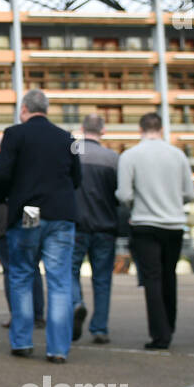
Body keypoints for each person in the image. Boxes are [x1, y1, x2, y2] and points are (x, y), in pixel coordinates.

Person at [0, 89, 80, 362]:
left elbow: (1, 173)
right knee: (60, 281)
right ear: (47, 110)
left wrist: (4, 198)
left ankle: (22, 341)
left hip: (31, 209)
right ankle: (57, 349)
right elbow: (78, 177)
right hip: (62, 212)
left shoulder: (15, 134)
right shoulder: (68, 138)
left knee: (22, 274)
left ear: (23, 109)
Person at [116, 112, 194, 350]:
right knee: (169, 276)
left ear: (140, 129)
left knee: (152, 278)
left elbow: (124, 194)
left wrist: (136, 205)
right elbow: (189, 193)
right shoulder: (178, 155)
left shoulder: (130, 156)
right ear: (161, 128)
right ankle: (169, 326)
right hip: (173, 224)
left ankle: (160, 335)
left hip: (145, 224)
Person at [0, 132, 44, 329]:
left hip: (3, 224)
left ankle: (17, 314)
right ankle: (38, 314)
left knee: (11, 271)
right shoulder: (30, 167)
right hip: (31, 219)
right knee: (32, 267)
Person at [72, 114, 120, 344]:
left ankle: (76, 303)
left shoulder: (71, 153)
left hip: (76, 225)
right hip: (105, 226)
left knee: (70, 271)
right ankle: (100, 328)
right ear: (104, 130)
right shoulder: (113, 158)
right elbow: (119, 195)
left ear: (81, 128)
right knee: (102, 279)